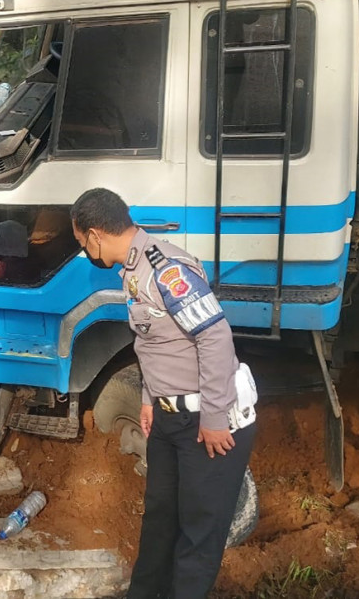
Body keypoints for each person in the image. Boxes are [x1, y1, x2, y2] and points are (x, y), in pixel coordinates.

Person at [70, 188, 257, 599]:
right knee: (159, 521)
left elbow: (214, 338)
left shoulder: (165, 269)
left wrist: (212, 419)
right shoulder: (134, 270)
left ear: (97, 235)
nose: (85, 251)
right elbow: (154, 345)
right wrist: (147, 399)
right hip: (170, 418)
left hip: (207, 423)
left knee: (197, 535)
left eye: (82, 243)